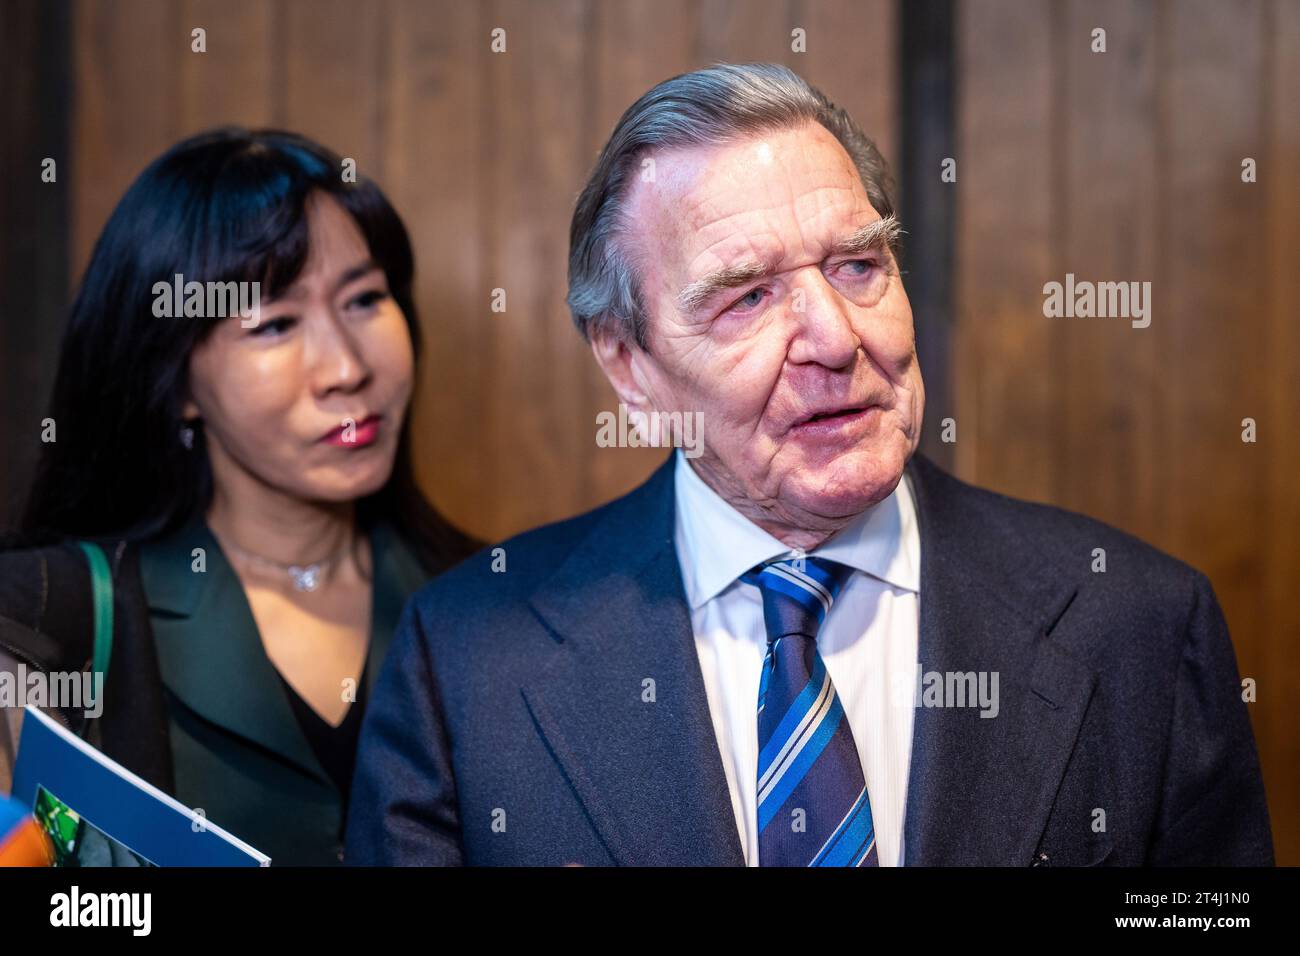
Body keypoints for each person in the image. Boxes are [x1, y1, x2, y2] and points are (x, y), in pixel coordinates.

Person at [346, 63, 1273, 867]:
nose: (834, 339)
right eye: (747, 298)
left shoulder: (1141, 623)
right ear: (628, 362)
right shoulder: (465, 660)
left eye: (858, 265)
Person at [0, 128, 477, 865]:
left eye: (365, 300)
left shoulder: (496, 602)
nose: (346, 368)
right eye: (276, 324)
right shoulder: (45, 616)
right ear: (178, 378)